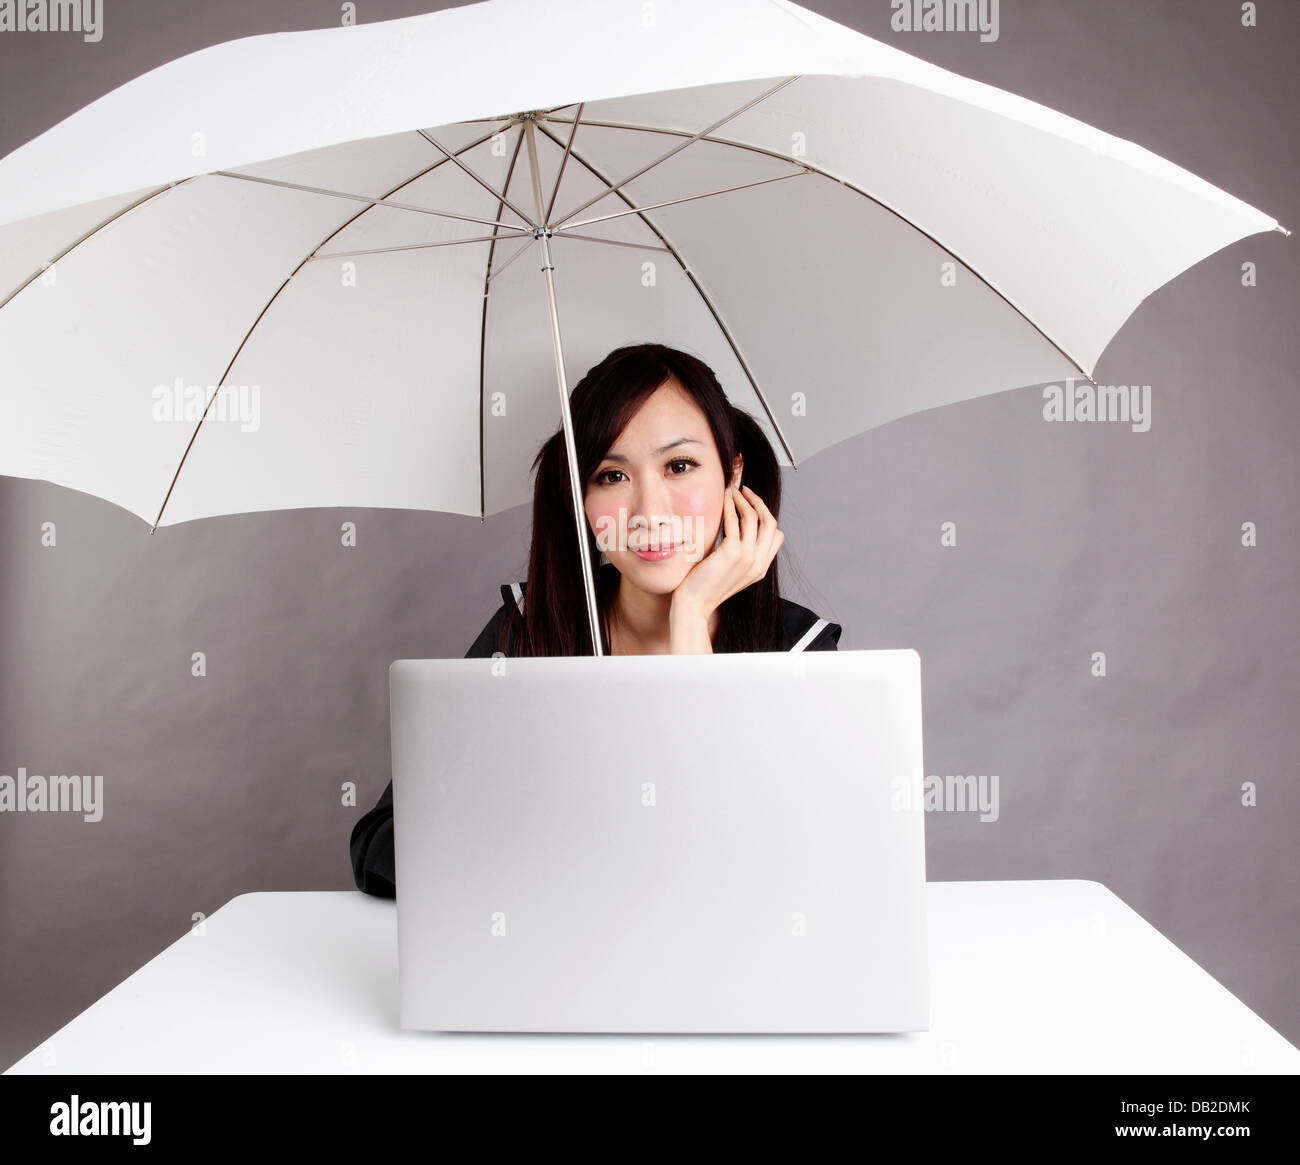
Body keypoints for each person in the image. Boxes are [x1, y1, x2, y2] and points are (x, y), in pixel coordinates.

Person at [350, 342, 842, 897]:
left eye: (680, 466)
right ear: (579, 496)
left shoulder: (798, 652)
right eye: (611, 476)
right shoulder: (526, 633)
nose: (650, 512)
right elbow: (380, 844)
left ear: (733, 477)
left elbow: (776, 862)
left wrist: (690, 619)